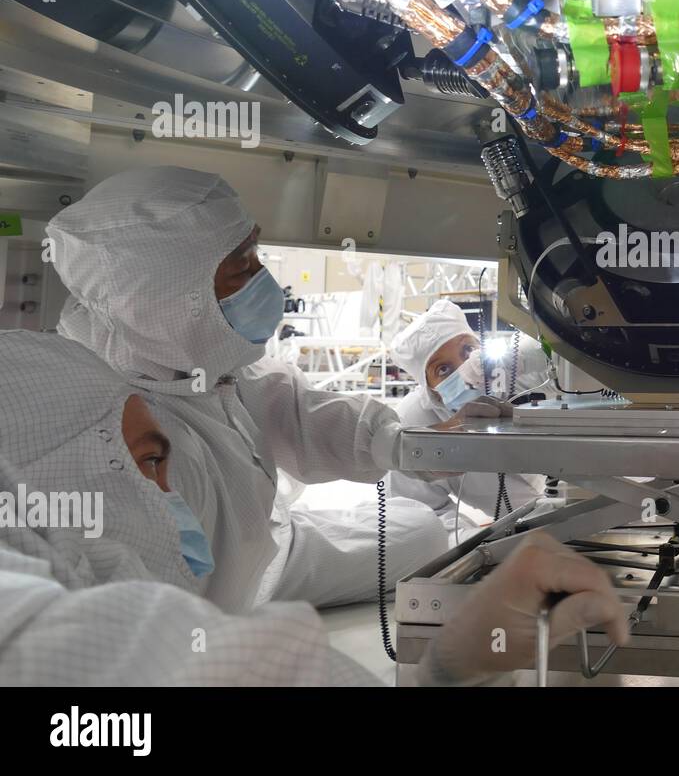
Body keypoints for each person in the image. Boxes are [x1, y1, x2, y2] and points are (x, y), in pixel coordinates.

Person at [0, 330, 627, 685]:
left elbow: (304, 416)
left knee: (414, 535)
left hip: (276, 545)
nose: (171, 496)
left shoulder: (218, 375)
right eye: (152, 465)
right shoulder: (56, 647)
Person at [43, 166, 466, 611]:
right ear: (165, 294)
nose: (264, 279)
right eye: (242, 266)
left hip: (271, 547)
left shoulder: (202, 354)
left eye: (256, 255)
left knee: (423, 529)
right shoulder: (97, 416)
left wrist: (405, 445)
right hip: (215, 597)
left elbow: (294, 411)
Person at [386, 300, 548, 528]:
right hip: (527, 533)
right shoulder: (415, 422)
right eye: (443, 370)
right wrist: (482, 545)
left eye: (469, 350)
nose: (466, 370)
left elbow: (568, 356)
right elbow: (419, 516)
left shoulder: (516, 374)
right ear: (428, 387)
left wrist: (524, 357)